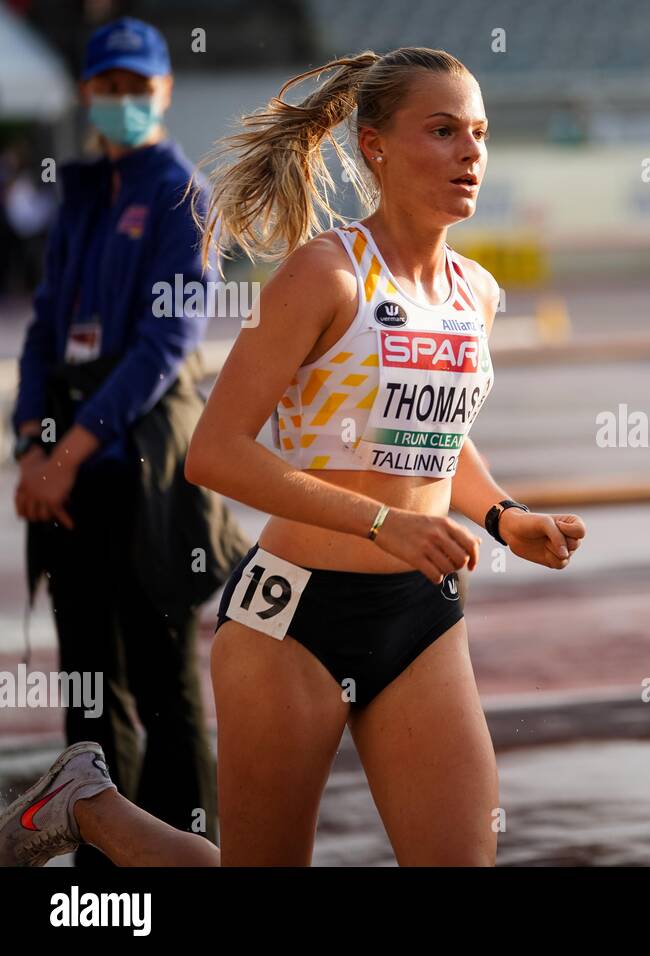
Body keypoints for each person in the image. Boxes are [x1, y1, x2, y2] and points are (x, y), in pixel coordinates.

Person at [2, 45, 586, 868]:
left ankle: (88, 801)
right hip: (293, 620)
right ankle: (91, 807)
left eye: (480, 134)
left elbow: (433, 442)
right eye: (444, 129)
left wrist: (502, 514)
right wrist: (382, 522)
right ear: (375, 145)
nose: (471, 153)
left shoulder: (476, 292)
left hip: (420, 617)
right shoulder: (324, 275)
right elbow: (214, 454)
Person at [8, 16, 235, 867]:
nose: (126, 101)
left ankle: (186, 858)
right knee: (87, 693)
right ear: (87, 94)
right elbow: (42, 333)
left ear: (165, 92)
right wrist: (32, 441)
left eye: (141, 88)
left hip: (145, 471)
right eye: (111, 87)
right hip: (68, 471)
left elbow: (160, 349)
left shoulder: (183, 197)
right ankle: (105, 880)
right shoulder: (80, 196)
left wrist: (63, 456)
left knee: (168, 692)